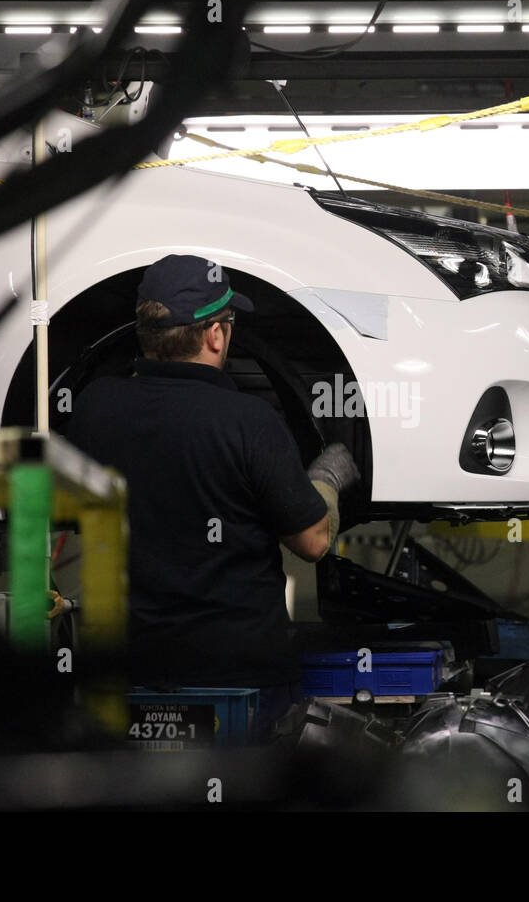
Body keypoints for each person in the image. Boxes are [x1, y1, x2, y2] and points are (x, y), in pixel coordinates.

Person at [66, 254, 359, 736]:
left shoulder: (96, 407)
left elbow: (75, 514)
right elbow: (313, 542)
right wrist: (326, 478)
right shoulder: (249, 421)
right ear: (216, 335)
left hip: (130, 673)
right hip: (239, 681)